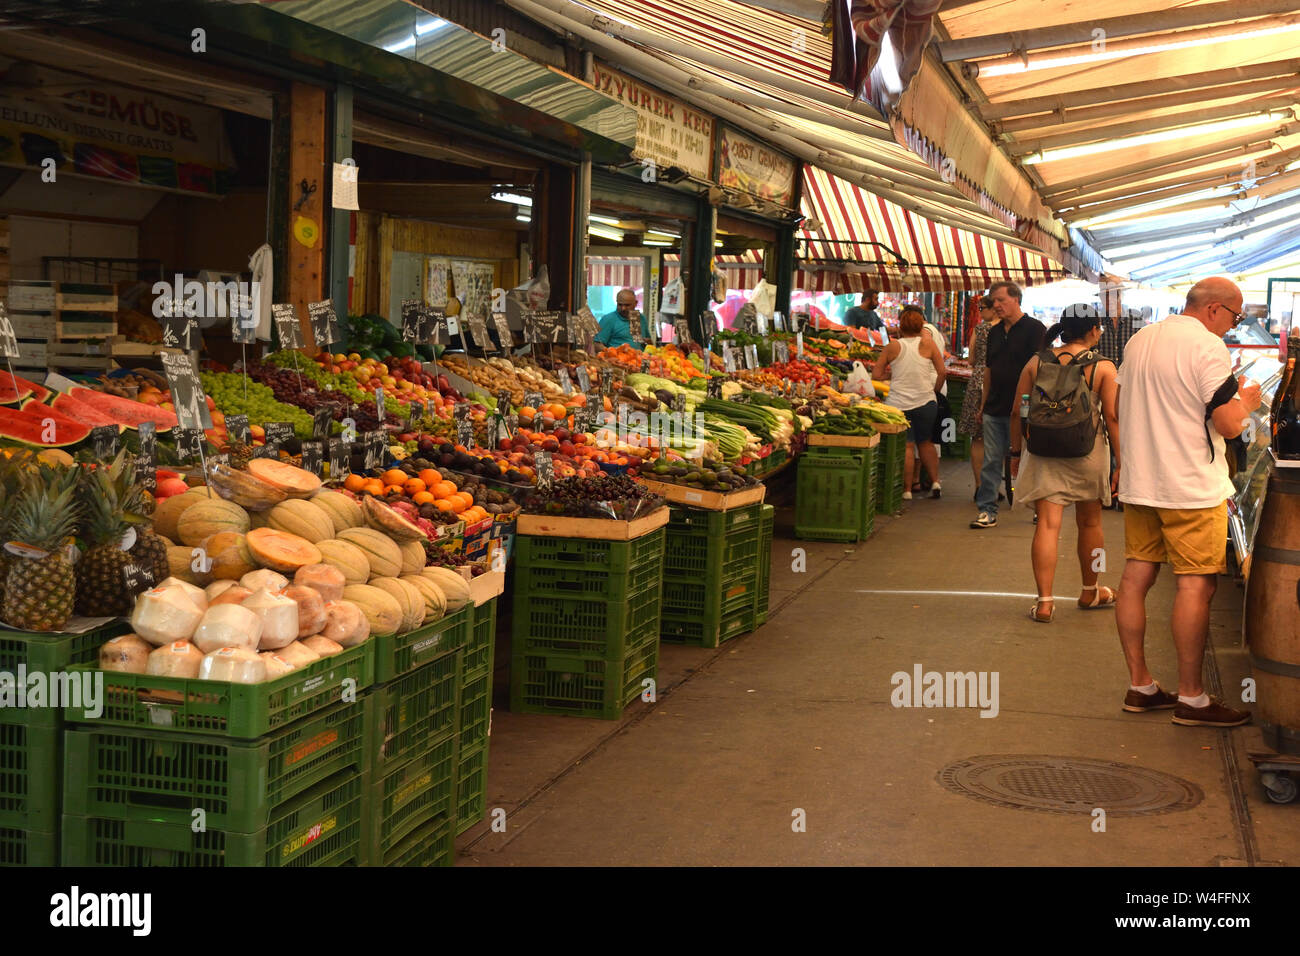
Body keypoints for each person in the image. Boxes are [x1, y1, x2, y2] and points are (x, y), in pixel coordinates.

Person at [1114, 276, 1261, 728]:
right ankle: (1193, 698)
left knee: (1137, 574)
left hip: (1142, 481)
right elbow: (1230, 424)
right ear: (1215, 309)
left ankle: (1140, 685)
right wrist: (1249, 400)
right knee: (1196, 585)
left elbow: (1125, 403)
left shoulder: (1141, 339)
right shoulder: (1207, 347)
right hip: (1191, 487)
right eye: (1234, 316)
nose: (1233, 326)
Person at [1008, 306, 1120, 623]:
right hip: (1089, 453)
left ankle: (1044, 602)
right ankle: (1091, 589)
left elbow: (1018, 411)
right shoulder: (1104, 368)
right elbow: (1112, 417)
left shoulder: (1036, 362)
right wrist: (1121, 462)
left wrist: (1016, 453)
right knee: (1092, 525)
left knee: (1047, 525)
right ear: (1094, 331)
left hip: (1044, 453)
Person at [971, 281, 1046, 529]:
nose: (996, 305)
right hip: (995, 407)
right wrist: (983, 404)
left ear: (1016, 299)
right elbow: (989, 371)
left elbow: (1042, 370)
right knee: (992, 459)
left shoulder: (1035, 330)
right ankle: (987, 510)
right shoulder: (993, 332)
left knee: (1031, 459)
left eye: (1001, 300)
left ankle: (1038, 508)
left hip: (1027, 409)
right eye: (994, 301)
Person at [877, 304, 945, 500]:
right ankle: (935, 482)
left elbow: (876, 373)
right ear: (920, 325)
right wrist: (935, 391)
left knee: (907, 445)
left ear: (900, 326)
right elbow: (942, 372)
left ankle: (907, 490)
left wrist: (891, 375)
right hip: (926, 402)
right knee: (926, 442)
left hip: (898, 403)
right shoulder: (928, 345)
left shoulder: (893, 346)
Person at [958, 296, 996, 495]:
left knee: (978, 437)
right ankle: (993, 486)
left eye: (982, 308)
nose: (980, 313)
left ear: (993, 309)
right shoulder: (1007, 329)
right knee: (997, 437)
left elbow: (971, 359)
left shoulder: (980, 329)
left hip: (979, 379)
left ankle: (980, 485)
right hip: (999, 380)